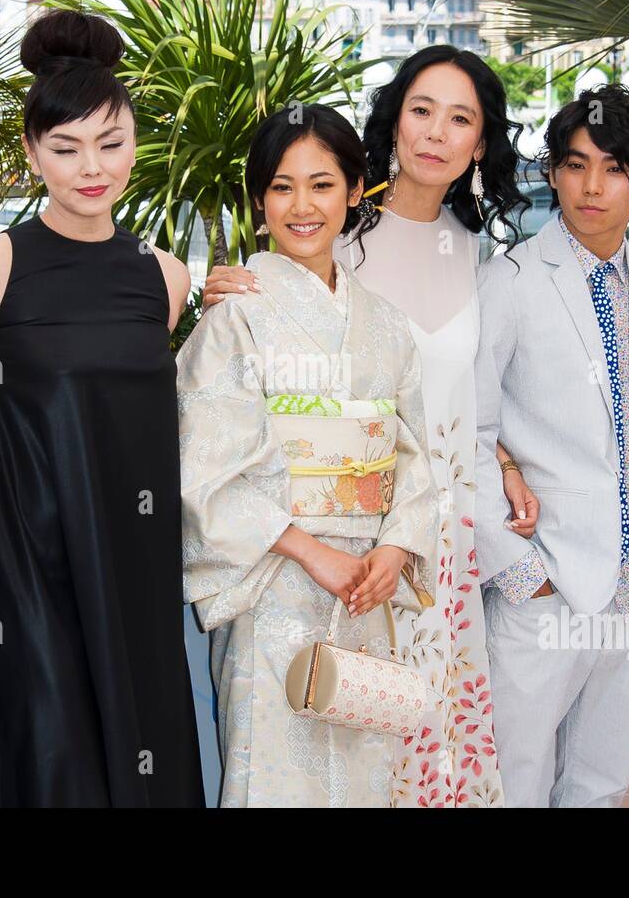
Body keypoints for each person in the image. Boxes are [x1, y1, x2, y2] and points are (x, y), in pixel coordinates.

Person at [201, 45, 530, 806]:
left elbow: (458, 392)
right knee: (311, 739)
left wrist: (504, 462)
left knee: (417, 732)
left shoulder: (481, 252)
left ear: (480, 144)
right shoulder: (334, 238)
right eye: (421, 110)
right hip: (306, 545)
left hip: (423, 540)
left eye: (460, 120)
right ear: (392, 122)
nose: (436, 133)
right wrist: (228, 291)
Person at [0, 9, 203, 806]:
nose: (92, 167)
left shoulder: (164, 277)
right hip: (21, 575)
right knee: (49, 758)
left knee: (139, 753)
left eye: (110, 143)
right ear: (34, 152)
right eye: (66, 148)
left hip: (136, 570)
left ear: (135, 141)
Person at [178, 102, 439, 807]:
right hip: (276, 585)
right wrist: (308, 549)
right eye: (282, 186)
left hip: (364, 585)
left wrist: (395, 547)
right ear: (260, 199)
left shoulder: (385, 324)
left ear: (356, 191)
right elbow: (203, 468)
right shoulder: (234, 317)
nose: (302, 205)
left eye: (322, 184)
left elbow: (411, 454)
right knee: (273, 774)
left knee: (361, 769)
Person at [474, 85, 629, 807]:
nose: (591, 186)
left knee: (600, 784)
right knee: (514, 778)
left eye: (614, 169)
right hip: (543, 578)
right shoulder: (509, 281)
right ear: (552, 172)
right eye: (575, 165)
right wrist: (518, 572)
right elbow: (469, 430)